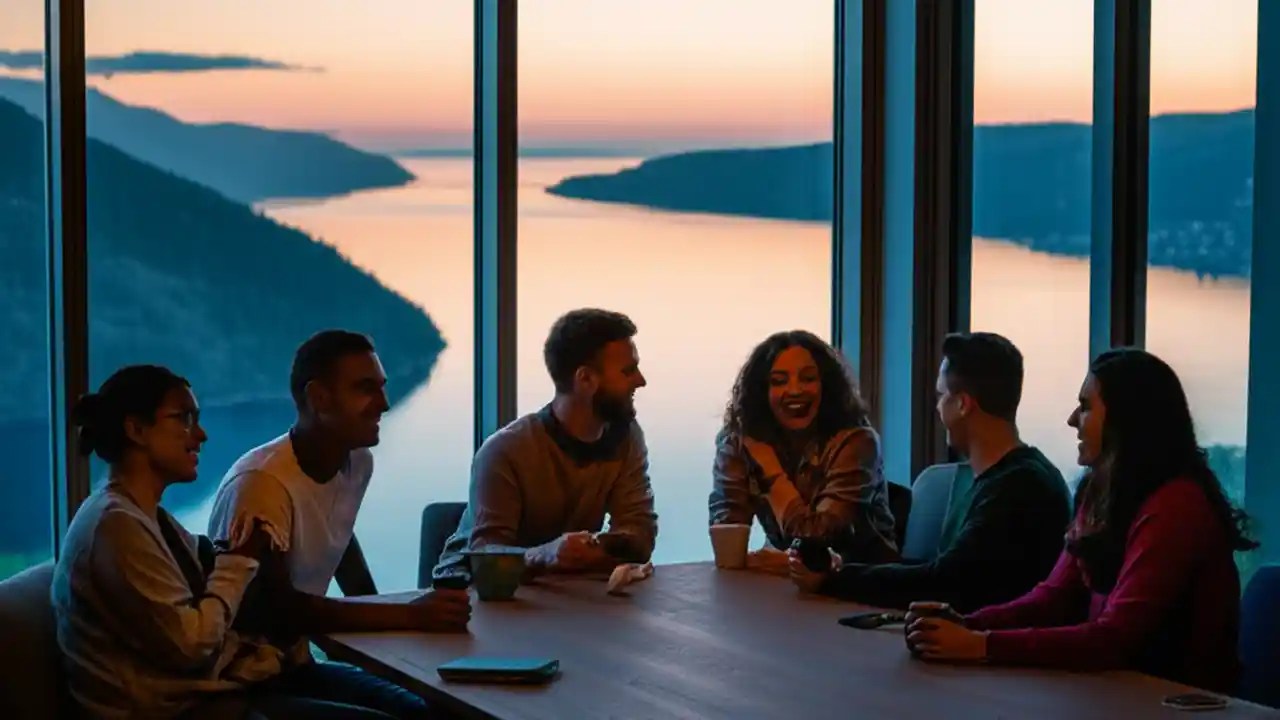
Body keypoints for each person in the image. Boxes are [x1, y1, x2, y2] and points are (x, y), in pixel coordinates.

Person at [51, 365, 407, 719]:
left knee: (408, 705)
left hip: (216, 690)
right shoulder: (115, 527)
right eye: (184, 419)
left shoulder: (145, 517)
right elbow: (191, 647)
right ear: (136, 429)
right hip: (182, 710)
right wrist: (237, 564)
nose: (201, 435)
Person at [905, 348, 1255, 694]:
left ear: (1124, 419)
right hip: (1118, 695)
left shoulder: (1177, 507)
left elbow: (1115, 638)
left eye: (1086, 406)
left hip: (1170, 703)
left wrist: (981, 645)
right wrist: (965, 624)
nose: (1072, 419)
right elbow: (1053, 599)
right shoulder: (1101, 494)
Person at [208, 331, 469, 718]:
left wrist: (388, 619)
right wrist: (409, 614)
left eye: (381, 388)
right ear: (318, 398)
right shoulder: (262, 485)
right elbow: (280, 611)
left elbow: (339, 533)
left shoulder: (356, 461)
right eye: (366, 389)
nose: (383, 403)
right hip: (239, 683)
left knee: (432, 709)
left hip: (292, 665)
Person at [789, 332, 1071, 612]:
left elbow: (946, 583)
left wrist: (833, 580)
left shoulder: (1019, 488)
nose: (937, 407)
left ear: (962, 404)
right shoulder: (1011, 478)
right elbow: (948, 571)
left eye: (941, 395)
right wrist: (844, 569)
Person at [434, 308, 657, 581]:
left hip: (562, 594)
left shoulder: (626, 437)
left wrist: (597, 548)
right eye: (628, 371)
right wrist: (545, 555)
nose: (640, 380)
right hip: (474, 594)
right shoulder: (505, 451)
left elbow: (640, 533)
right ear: (585, 379)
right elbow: (485, 558)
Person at [708, 330, 898, 566]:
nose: (795, 390)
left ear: (826, 386)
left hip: (861, 585)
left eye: (808, 379)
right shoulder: (740, 440)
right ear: (761, 392)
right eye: (779, 381)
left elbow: (814, 539)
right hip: (789, 587)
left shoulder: (857, 442)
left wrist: (770, 472)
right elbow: (727, 537)